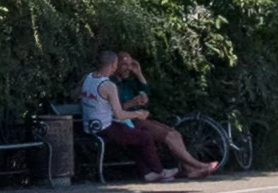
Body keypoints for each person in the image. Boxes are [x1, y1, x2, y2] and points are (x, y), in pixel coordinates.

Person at [77, 46, 216, 182]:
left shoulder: (89, 77)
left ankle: (149, 173)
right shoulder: (109, 85)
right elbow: (119, 114)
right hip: (107, 126)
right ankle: (160, 171)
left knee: (142, 134)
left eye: (130, 64)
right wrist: (137, 113)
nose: (128, 68)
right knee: (144, 136)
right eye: (123, 64)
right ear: (114, 64)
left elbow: (77, 94)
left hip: (93, 125)